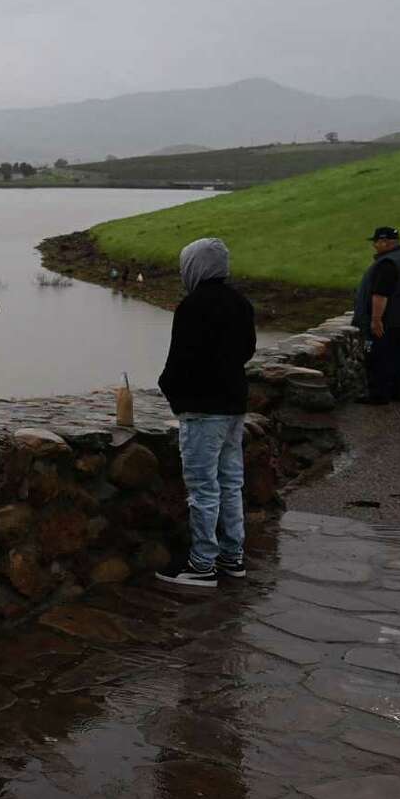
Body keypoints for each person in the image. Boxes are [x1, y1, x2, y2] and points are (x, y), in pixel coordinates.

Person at [154, 238, 257, 589]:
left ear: (195, 266)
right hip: (234, 404)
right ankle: (232, 556)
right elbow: (247, 351)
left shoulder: (193, 306)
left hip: (202, 408)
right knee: (231, 482)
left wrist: (169, 388)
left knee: (202, 488)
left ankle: (202, 564)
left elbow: (180, 360)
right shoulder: (240, 303)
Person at [354, 225, 400, 405]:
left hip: (389, 321)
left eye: (376, 242)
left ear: (385, 242)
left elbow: (380, 294)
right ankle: (399, 391)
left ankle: (378, 395)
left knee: (377, 357)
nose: (374, 246)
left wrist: (376, 319)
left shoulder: (387, 264)